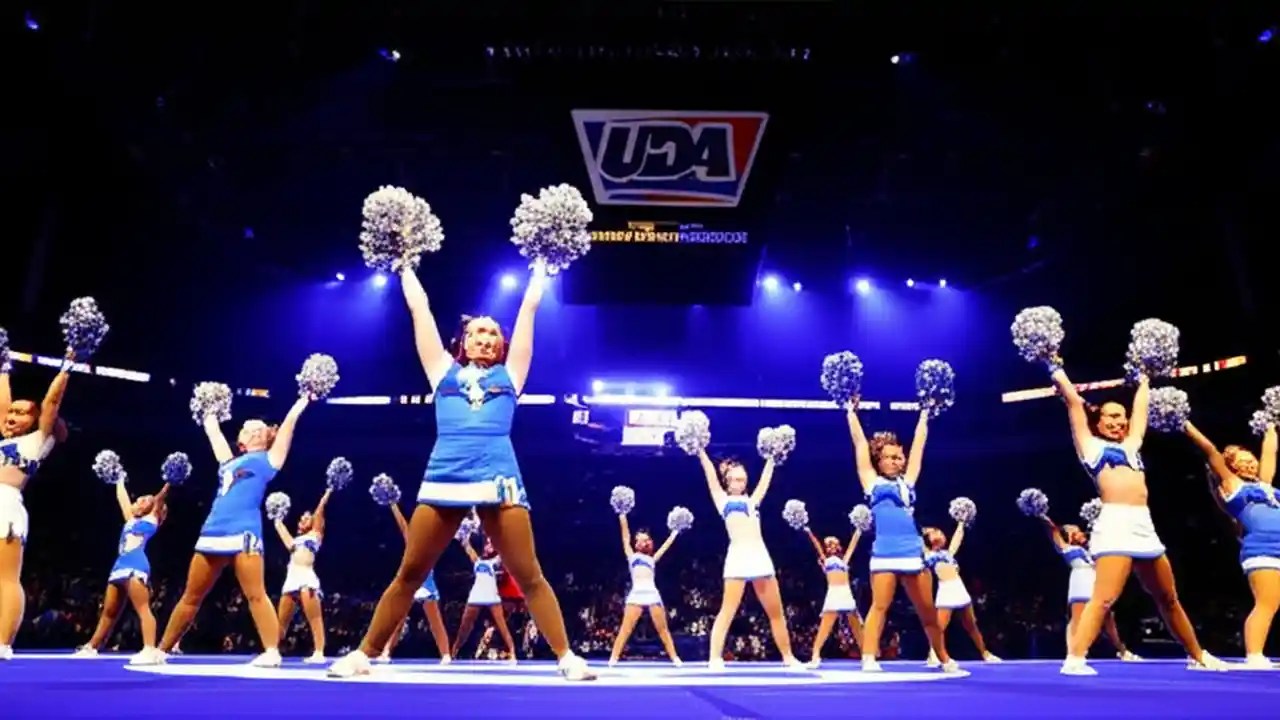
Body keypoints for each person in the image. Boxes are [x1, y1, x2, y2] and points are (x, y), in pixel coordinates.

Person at [328, 266, 592, 680]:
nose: (485, 338)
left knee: (529, 573)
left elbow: (530, 308)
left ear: (501, 344)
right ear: (464, 341)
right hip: (444, 476)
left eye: (492, 334)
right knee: (411, 572)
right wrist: (406, 264)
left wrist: (542, 265)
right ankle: (365, 653)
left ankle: (567, 657)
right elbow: (420, 311)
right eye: (477, 333)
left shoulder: (512, 375)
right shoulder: (441, 372)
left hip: (499, 476)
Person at [1049, 365, 1225, 674]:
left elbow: (1141, 413)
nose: (1118, 421)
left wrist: (1145, 377)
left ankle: (1199, 656)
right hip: (1114, 524)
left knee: (1168, 597)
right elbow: (1075, 403)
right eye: (1111, 416)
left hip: (1144, 525)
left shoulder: (1132, 445)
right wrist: (1056, 368)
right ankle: (1075, 658)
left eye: (1121, 416)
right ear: (1099, 422)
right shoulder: (1090, 446)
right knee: (1104, 598)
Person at [154, 396, 313, 667]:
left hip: (244, 532)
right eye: (250, 428)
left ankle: (272, 651)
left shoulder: (269, 460)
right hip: (213, 531)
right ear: (241, 441)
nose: (255, 429)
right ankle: (161, 650)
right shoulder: (227, 461)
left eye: (260, 429)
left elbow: (288, 425)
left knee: (256, 594)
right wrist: (208, 407)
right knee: (192, 595)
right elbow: (212, 431)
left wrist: (302, 400)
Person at [845, 406, 954, 672]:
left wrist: (925, 415)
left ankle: (944, 658)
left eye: (898, 457)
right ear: (878, 461)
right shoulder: (871, 482)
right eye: (889, 457)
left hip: (913, 553)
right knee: (879, 607)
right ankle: (869, 658)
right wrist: (850, 412)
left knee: (928, 611)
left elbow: (919, 445)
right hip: (884, 553)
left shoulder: (909, 482)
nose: (896, 461)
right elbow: (860, 443)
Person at [692, 449, 800, 669]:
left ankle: (789, 658)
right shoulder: (722, 500)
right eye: (735, 479)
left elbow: (765, 482)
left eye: (743, 479)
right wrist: (701, 452)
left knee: (776, 612)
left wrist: (772, 458)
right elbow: (710, 475)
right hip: (738, 557)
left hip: (760, 556)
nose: (740, 483)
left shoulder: (753, 501)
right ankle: (714, 658)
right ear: (727, 482)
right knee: (727, 610)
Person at [1183, 419, 1278, 669]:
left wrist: (1271, 423)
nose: (1250, 464)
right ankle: (1255, 655)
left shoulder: (1265, 486)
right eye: (1242, 462)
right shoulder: (1232, 486)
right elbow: (1211, 451)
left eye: (1251, 460)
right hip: (1263, 549)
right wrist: (1184, 423)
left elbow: (1270, 452)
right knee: (1268, 602)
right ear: (1231, 468)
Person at [0, 350, 71, 660]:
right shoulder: (4, 440)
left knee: (6, 578)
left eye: (21, 412)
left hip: (5, 505)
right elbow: (2, 407)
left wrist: (68, 363)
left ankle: (3, 643)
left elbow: (52, 402)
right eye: (10, 412)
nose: (12, 416)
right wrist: (3, 366)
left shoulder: (38, 440)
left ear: (35, 419)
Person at [73, 477, 172, 662]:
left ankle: (150, 649)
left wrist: (168, 482)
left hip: (135, 565)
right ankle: (92, 646)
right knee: (109, 612)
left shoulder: (152, 519)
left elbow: (159, 499)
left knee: (143, 609)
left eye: (141, 501)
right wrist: (119, 480)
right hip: (119, 566)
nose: (136, 503)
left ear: (150, 508)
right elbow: (122, 500)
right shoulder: (131, 520)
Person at [1034, 514, 1140, 661]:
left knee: (1108, 619)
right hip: (1081, 581)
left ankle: (1122, 651)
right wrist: (1042, 514)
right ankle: (1073, 654)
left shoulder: (1091, 548)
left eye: (1080, 531)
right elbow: (1052, 530)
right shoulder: (1066, 549)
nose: (1081, 533)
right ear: (1070, 537)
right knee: (1077, 619)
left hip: (1095, 582)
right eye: (1075, 532)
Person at [379, 502, 451, 664]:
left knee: (435, 622)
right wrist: (393, 504)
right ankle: (386, 651)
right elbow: (402, 524)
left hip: (427, 581)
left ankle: (446, 654)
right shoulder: (411, 537)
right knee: (398, 619)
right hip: (411, 582)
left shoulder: (435, 540)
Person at [607, 512, 682, 666]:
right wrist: (622, 516)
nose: (644, 543)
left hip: (652, 594)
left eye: (647, 540)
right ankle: (613, 658)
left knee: (663, 630)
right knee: (625, 629)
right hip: (636, 594)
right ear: (636, 544)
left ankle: (675, 658)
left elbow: (665, 548)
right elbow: (625, 538)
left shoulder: (652, 560)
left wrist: (674, 533)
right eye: (641, 540)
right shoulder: (632, 557)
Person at [920, 524, 1000, 665]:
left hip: (959, 588)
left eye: (940, 531)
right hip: (946, 590)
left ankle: (985, 653)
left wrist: (961, 523)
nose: (939, 534)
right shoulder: (928, 554)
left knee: (971, 625)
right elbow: (919, 540)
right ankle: (932, 654)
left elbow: (957, 540)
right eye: (935, 533)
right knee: (939, 627)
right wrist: (921, 531)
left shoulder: (948, 553)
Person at [273, 488, 333, 663]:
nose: (302, 519)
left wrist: (327, 493)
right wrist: (277, 520)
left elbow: (320, 511)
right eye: (301, 518)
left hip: (307, 577)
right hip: (291, 577)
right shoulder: (296, 541)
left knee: (314, 618)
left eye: (307, 517)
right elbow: (287, 542)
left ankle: (319, 652)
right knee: (281, 621)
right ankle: (272, 651)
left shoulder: (316, 535)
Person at [800, 527, 864, 668]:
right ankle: (815, 655)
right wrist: (809, 531)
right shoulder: (825, 561)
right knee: (825, 626)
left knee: (856, 627)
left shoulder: (844, 561)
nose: (832, 547)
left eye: (834, 544)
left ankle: (866, 655)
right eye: (829, 545)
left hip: (846, 593)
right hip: (833, 593)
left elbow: (853, 546)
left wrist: (858, 531)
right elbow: (817, 546)